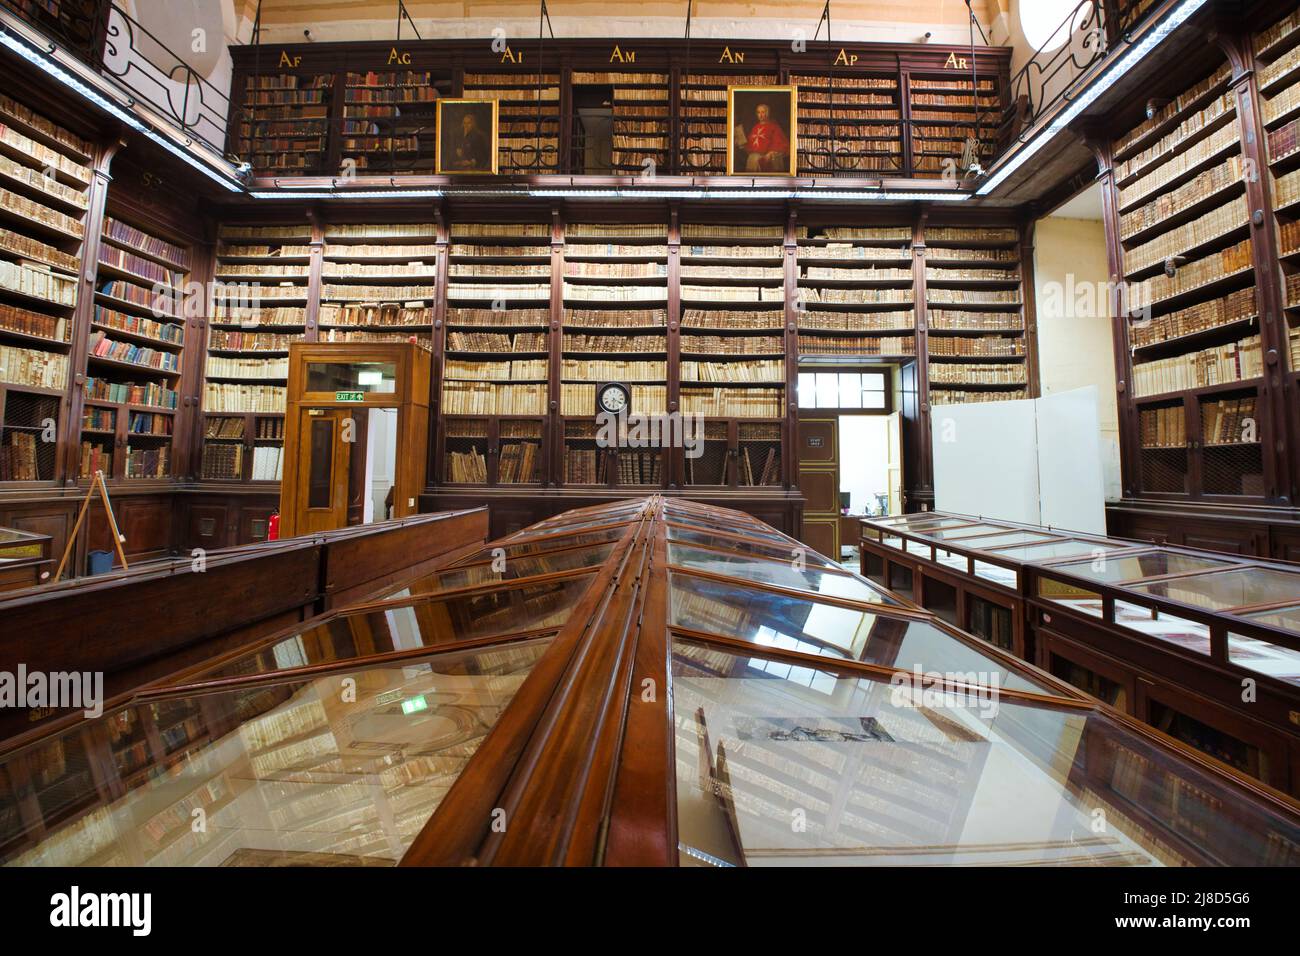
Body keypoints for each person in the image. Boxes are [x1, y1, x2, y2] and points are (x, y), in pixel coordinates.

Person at [735, 101, 790, 173]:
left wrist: (770, 153)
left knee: (756, 159)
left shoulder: (774, 127)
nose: (760, 115)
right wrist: (740, 143)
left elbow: (780, 144)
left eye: (763, 112)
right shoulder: (755, 127)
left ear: (767, 113)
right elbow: (750, 146)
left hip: (765, 159)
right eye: (758, 112)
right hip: (752, 159)